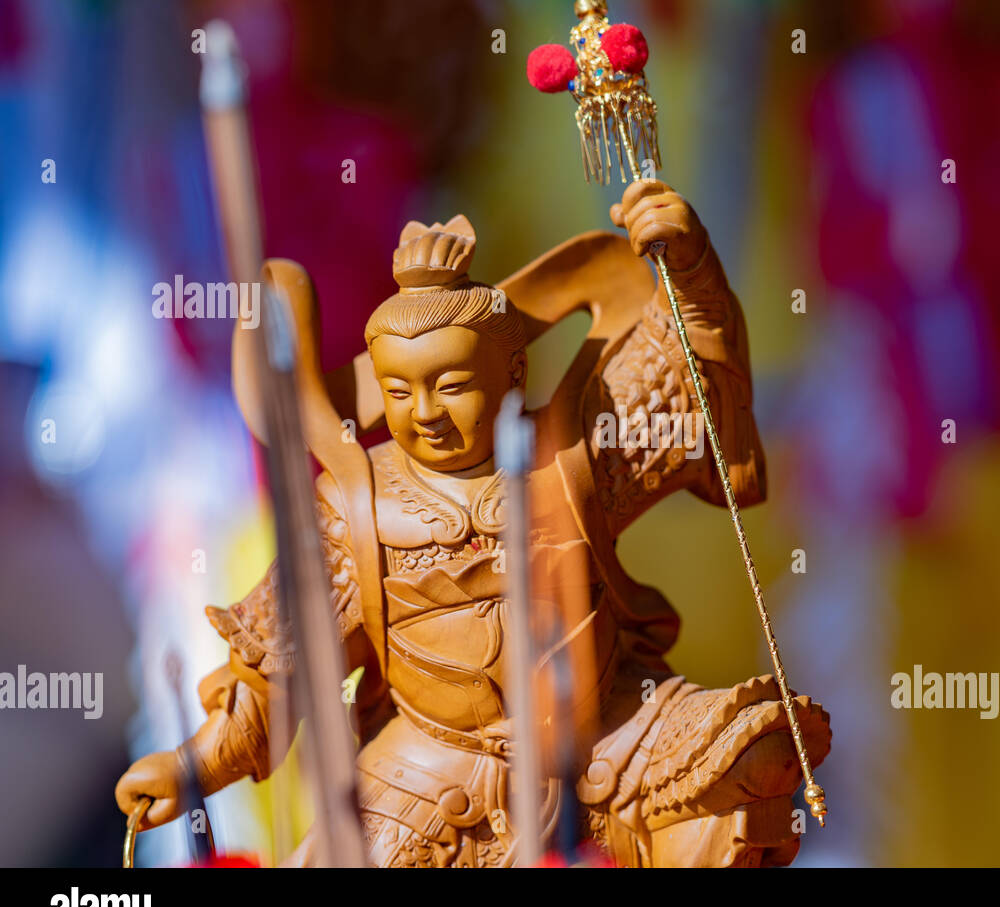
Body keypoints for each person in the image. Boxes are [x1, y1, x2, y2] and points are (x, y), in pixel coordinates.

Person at [116, 180, 830, 867]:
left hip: (606, 728)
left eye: (451, 384)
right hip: (426, 773)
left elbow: (687, 377)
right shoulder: (355, 506)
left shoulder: (573, 459)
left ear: (513, 375)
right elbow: (271, 683)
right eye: (400, 391)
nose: (425, 410)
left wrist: (689, 267)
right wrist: (186, 770)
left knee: (756, 760)